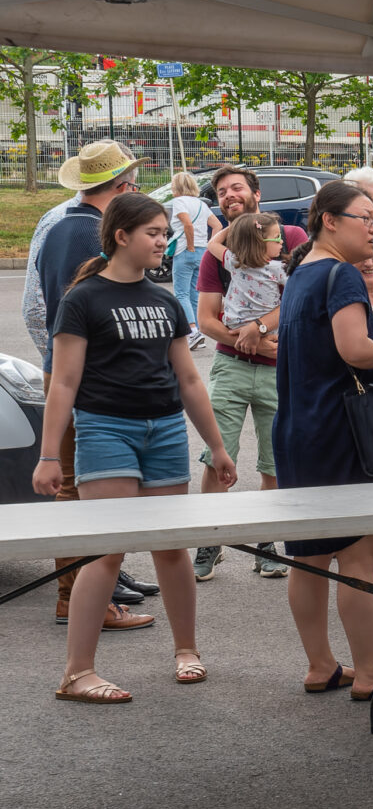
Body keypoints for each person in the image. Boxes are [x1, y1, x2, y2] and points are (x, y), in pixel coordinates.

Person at [34, 193, 236, 703]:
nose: (162, 241)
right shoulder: (82, 299)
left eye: (164, 231)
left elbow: (189, 378)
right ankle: (77, 672)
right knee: (106, 550)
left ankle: (186, 651)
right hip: (106, 430)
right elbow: (63, 383)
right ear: (121, 236)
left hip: (165, 431)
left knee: (172, 547)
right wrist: (49, 455)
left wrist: (217, 446)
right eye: (152, 231)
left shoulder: (165, 300)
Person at [273, 182, 373, 701]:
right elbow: (353, 349)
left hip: (297, 431)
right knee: (358, 555)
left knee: (308, 557)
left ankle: (321, 665)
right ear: (330, 219)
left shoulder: (301, 273)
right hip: (341, 430)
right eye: (366, 218)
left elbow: (327, 346)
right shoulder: (343, 273)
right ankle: (371, 672)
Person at [25, 140, 155, 631]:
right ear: (120, 188)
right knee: (81, 492)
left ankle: (81, 595)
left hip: (65, 367)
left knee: (75, 489)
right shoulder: (86, 235)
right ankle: (83, 599)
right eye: (133, 185)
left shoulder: (62, 227)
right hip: (85, 374)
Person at [193, 165, 306, 581]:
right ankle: (211, 540)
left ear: (257, 192)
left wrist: (258, 329)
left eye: (236, 187)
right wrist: (248, 339)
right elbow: (206, 320)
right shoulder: (225, 254)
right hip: (231, 365)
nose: (228, 195)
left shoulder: (291, 240)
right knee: (216, 454)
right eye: (221, 191)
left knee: (274, 460)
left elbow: (300, 298)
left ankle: (267, 541)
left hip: (281, 369)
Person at [165, 171, 218, 337]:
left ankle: (192, 330)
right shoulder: (201, 204)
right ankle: (199, 330)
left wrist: (190, 246)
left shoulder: (179, 201)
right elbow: (217, 225)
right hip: (202, 251)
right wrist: (209, 245)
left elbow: (187, 224)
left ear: (177, 186)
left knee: (181, 292)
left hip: (186, 250)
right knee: (195, 293)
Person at [219, 213, 289, 333]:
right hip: (268, 329)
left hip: (234, 324)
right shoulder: (278, 268)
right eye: (277, 237)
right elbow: (298, 292)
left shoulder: (234, 261)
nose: (281, 241)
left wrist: (235, 227)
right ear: (259, 242)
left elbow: (212, 244)